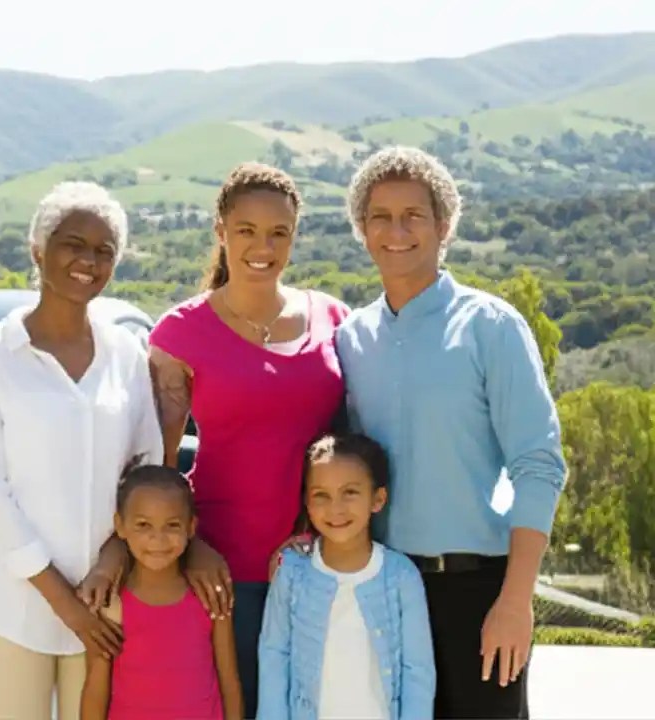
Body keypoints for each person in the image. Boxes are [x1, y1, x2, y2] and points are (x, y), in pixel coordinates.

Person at [85, 161, 351, 718]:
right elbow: (154, 469)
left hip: (321, 564)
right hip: (223, 572)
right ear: (221, 232)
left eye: (279, 232)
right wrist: (193, 546)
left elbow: (353, 444)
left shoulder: (332, 317)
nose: (263, 246)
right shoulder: (181, 332)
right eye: (247, 230)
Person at [336, 146, 568, 719]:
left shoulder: (492, 327)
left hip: (479, 593)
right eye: (380, 217)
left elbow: (539, 464)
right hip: (383, 591)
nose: (397, 231)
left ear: (444, 226)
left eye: (413, 215)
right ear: (362, 230)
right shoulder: (350, 339)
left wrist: (516, 602)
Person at [0, 181, 165, 720]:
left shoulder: (126, 355)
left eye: (104, 251)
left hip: (107, 606)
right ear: (37, 250)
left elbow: (146, 478)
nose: (88, 261)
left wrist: (110, 563)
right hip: (10, 608)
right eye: (73, 243)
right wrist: (67, 606)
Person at [257, 432, 435, 720]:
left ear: (377, 499)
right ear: (307, 502)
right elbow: (274, 655)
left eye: (350, 493)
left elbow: (418, 671)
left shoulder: (402, 577)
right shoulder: (291, 571)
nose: (335, 508)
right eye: (321, 495)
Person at [81, 461, 245, 720]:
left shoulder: (209, 597)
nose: (158, 539)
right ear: (120, 526)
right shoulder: (112, 603)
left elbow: (229, 681)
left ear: (191, 527)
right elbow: (96, 689)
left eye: (172, 525)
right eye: (144, 525)